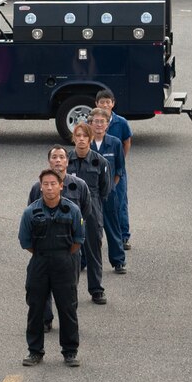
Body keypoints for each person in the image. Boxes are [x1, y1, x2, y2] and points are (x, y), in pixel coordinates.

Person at [19, 169, 84, 367]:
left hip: (64, 262)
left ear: (60, 186)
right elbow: (25, 241)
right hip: (39, 262)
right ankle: (35, 351)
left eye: (53, 184)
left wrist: (60, 255)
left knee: (67, 307)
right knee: (36, 307)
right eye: (45, 184)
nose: (49, 187)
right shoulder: (31, 211)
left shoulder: (72, 210)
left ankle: (70, 351)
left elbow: (78, 239)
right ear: (41, 187)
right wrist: (43, 255)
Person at [66, 124, 114, 304]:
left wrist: (93, 204)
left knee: (93, 249)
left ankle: (96, 289)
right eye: (77, 135)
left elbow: (105, 189)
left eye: (84, 136)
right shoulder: (65, 159)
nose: (81, 139)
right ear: (73, 138)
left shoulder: (100, 162)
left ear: (90, 138)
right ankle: (68, 289)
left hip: (92, 209)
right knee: (68, 251)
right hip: (69, 207)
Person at [88, 110, 127, 273]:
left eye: (102, 122)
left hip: (109, 193)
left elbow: (119, 169)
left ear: (107, 124)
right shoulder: (85, 143)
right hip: (89, 195)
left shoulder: (115, 143)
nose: (98, 125)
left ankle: (118, 261)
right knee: (88, 228)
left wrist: (111, 186)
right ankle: (84, 260)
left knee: (113, 226)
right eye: (95, 121)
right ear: (90, 124)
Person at [94, 90, 133, 249]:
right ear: (96, 103)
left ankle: (124, 236)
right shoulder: (92, 121)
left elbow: (127, 142)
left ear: (113, 103)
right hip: (95, 172)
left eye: (107, 102)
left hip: (116, 171)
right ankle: (96, 237)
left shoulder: (121, 122)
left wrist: (119, 162)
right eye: (101, 102)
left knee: (120, 203)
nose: (105, 105)